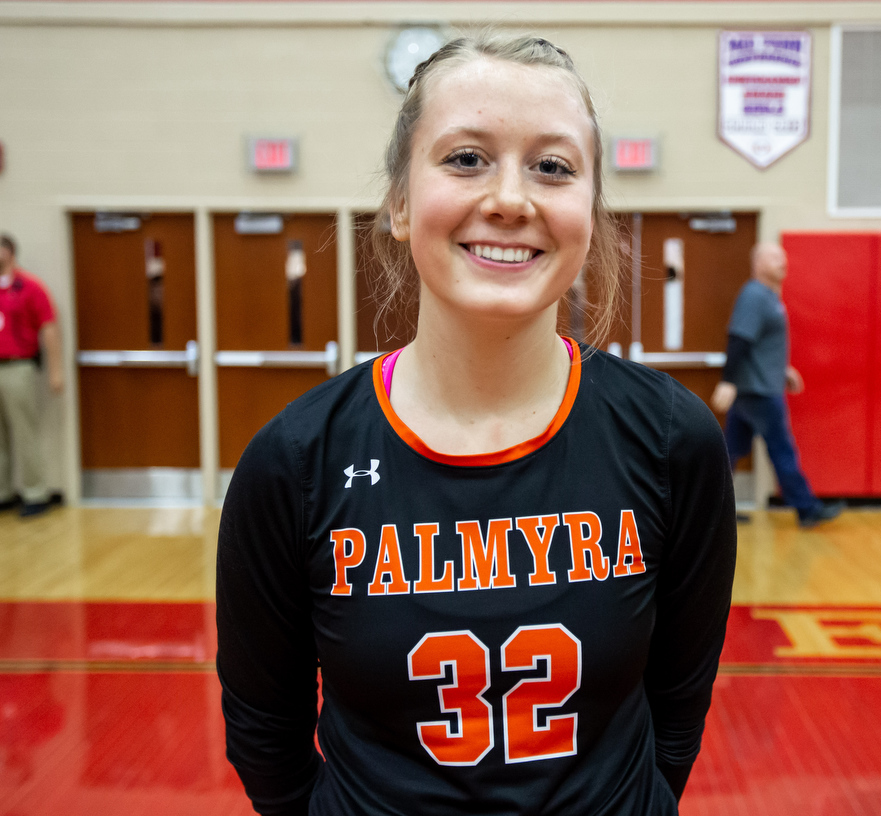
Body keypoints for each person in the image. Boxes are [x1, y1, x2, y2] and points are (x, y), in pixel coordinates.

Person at [217, 34, 736, 816]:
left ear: (589, 215)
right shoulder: (295, 461)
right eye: (466, 159)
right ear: (398, 203)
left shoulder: (672, 441)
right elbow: (265, 729)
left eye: (553, 167)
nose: (510, 199)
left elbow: (679, 702)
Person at [710, 242, 845, 528]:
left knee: (729, 450)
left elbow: (759, 344)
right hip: (759, 392)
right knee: (781, 449)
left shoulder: (769, 297)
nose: (783, 263)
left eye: (784, 258)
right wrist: (728, 382)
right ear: (758, 263)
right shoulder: (755, 296)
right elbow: (740, 340)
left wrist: (782, 370)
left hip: (759, 386)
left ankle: (712, 513)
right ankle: (807, 509)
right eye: (775, 258)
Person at [0, 233, 63, 518]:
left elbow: (48, 328)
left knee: (24, 430)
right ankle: (2, 493)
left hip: (18, 367)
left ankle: (35, 492)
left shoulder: (30, 287)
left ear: (10, 252)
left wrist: (56, 370)